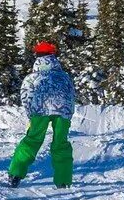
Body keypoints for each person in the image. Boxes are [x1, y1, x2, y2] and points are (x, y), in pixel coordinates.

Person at [7, 40, 75, 188]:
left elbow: (26, 97)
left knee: (32, 140)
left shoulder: (32, 77)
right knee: (61, 144)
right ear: (53, 56)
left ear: (37, 56)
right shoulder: (64, 76)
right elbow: (71, 95)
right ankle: (63, 181)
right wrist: (68, 114)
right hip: (62, 112)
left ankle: (15, 174)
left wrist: (31, 114)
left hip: (39, 111)